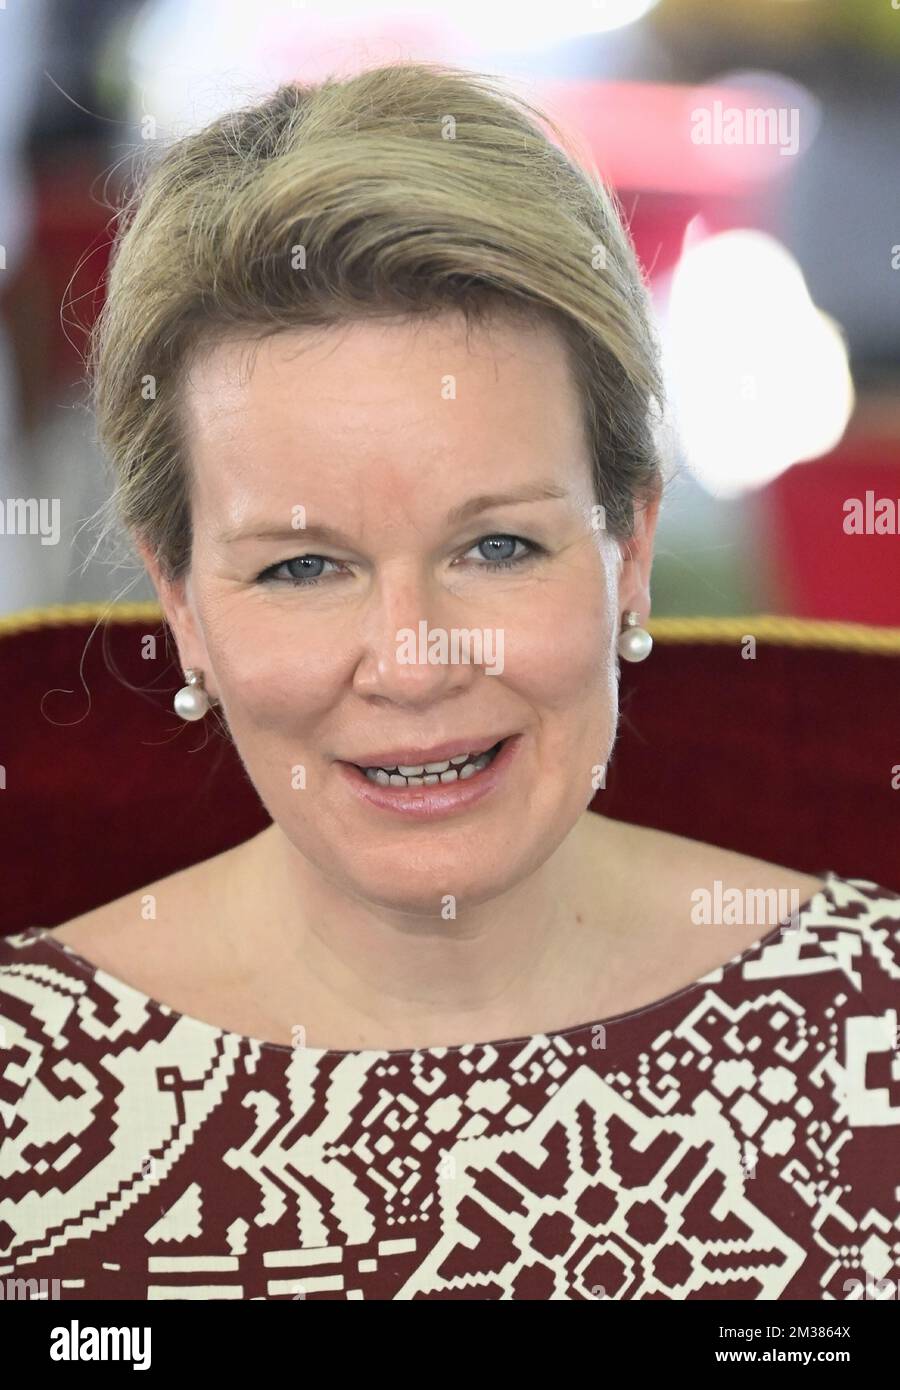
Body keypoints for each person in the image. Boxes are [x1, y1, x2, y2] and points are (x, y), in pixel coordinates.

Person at [2, 62, 898, 1302]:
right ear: (182, 605)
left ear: (626, 550)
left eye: (497, 546)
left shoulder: (879, 1023)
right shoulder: (19, 1087)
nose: (413, 664)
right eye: (303, 565)